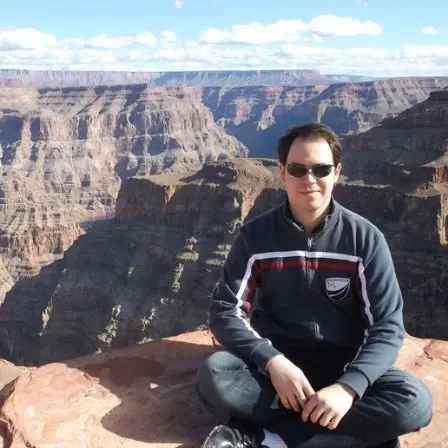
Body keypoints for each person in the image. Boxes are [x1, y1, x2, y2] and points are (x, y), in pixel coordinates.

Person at [195, 123, 433, 448]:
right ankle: (354, 438)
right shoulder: (256, 236)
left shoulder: (364, 239)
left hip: (345, 363)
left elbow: (387, 327)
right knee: (216, 374)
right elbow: (225, 311)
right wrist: (272, 361)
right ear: (282, 172)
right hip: (277, 371)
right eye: (297, 169)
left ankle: (270, 436)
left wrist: (348, 387)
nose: (309, 179)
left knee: (414, 402)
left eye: (320, 169)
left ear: (337, 172)